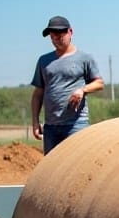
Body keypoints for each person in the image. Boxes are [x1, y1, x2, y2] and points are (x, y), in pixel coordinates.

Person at [30, 15, 105, 153]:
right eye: (53, 36)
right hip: (51, 127)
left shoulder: (84, 58)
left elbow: (99, 83)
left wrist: (83, 90)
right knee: (52, 164)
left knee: (77, 162)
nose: (56, 39)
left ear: (70, 32)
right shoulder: (44, 61)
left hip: (76, 124)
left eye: (60, 35)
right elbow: (38, 94)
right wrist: (35, 122)